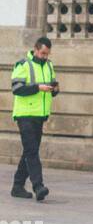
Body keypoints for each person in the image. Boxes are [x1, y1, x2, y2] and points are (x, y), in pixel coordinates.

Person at [10, 36, 58, 201]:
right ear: (36, 49)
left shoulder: (49, 65)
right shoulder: (23, 64)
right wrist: (38, 88)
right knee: (32, 151)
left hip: (40, 115)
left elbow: (51, 88)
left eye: (47, 54)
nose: (45, 56)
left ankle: (17, 186)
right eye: (43, 53)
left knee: (29, 151)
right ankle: (38, 186)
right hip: (25, 115)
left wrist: (55, 88)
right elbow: (16, 88)